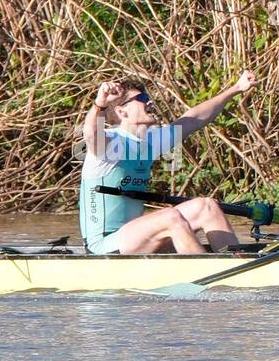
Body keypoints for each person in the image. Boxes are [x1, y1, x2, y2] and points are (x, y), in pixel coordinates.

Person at [79, 71, 256, 254]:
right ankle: (209, 273)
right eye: (142, 98)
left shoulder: (151, 140)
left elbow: (195, 118)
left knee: (207, 206)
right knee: (170, 216)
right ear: (122, 111)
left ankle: (237, 261)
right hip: (104, 245)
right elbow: (91, 133)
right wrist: (100, 104)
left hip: (136, 237)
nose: (150, 101)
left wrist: (237, 88)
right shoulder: (109, 142)